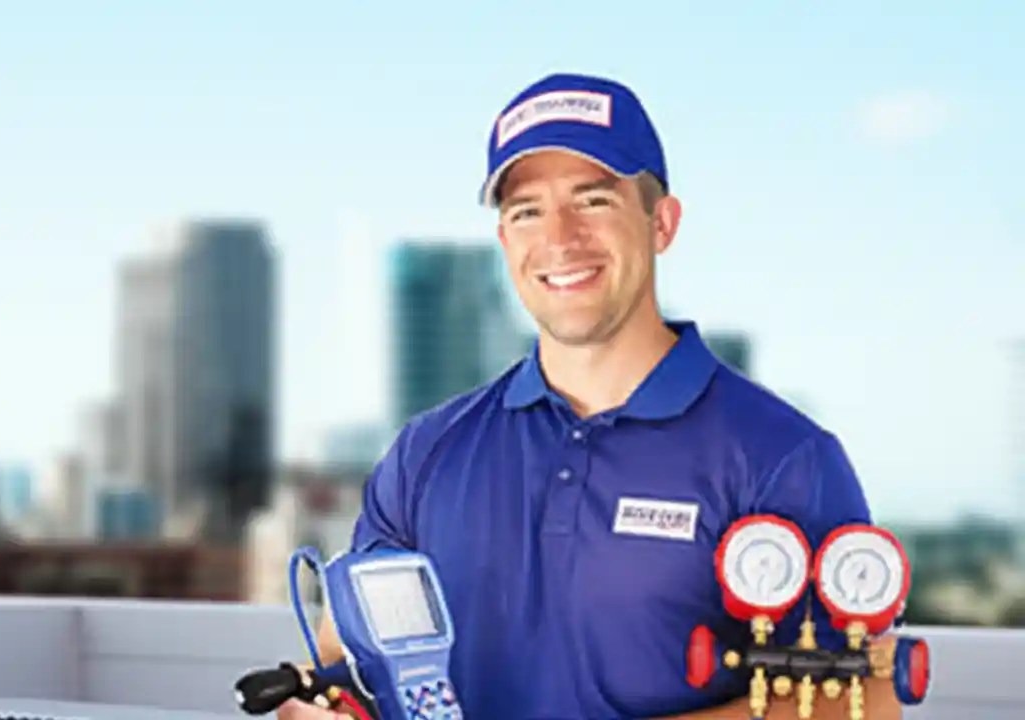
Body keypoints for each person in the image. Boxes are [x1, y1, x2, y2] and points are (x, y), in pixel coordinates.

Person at [279, 73, 904, 720]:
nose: (559, 237)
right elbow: (343, 657)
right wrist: (319, 704)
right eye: (526, 211)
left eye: (594, 200)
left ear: (661, 223)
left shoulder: (784, 457)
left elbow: (867, 703)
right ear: (505, 242)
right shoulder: (426, 453)